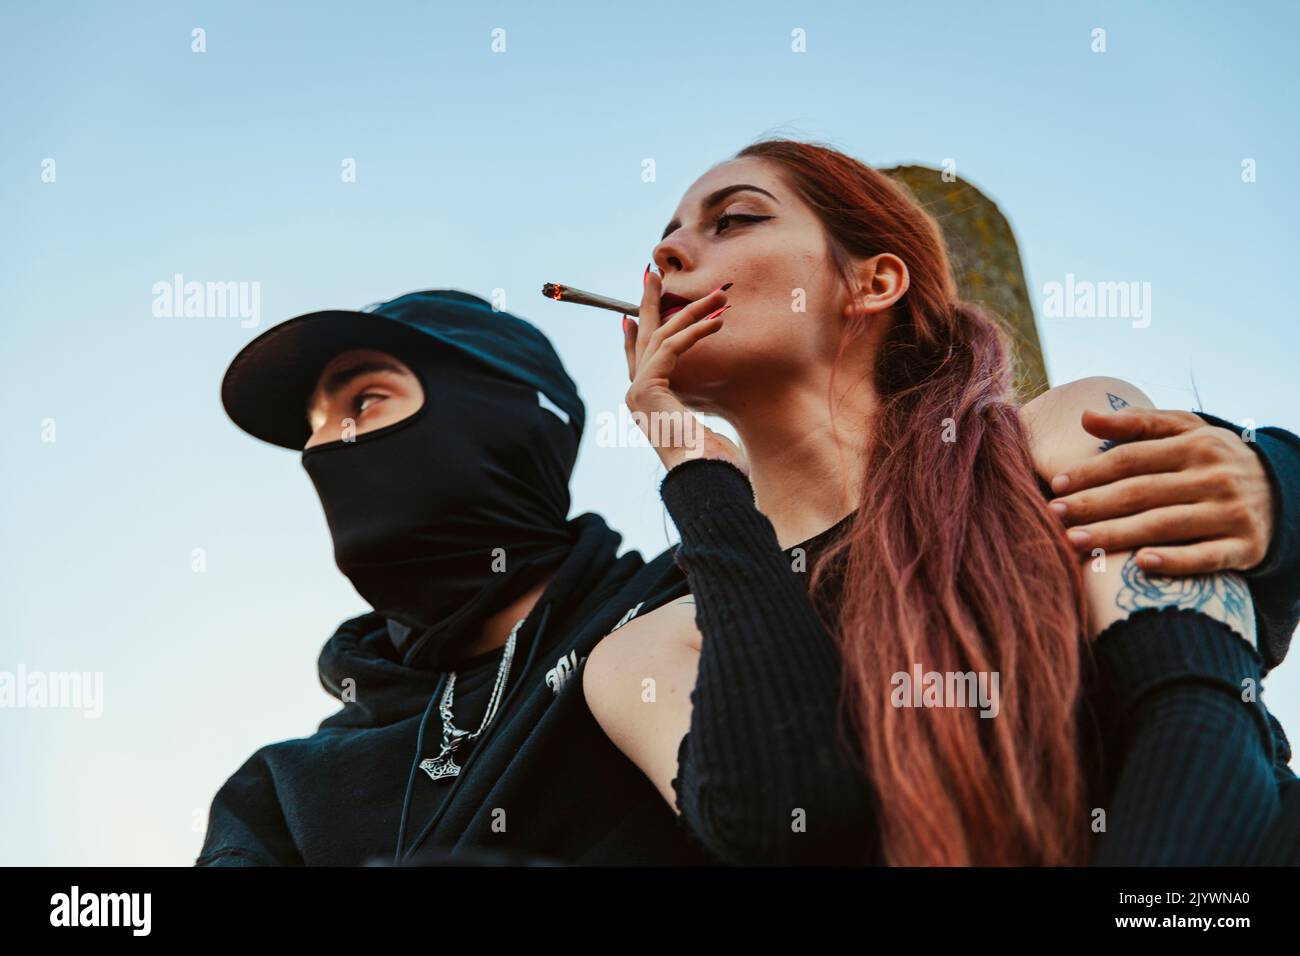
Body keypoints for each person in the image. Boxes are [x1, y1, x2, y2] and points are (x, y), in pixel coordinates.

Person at [582, 138, 1300, 865]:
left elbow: (1202, 722)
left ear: (874, 282)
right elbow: (781, 820)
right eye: (665, 236)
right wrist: (699, 474)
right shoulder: (640, 652)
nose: (667, 253)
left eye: (732, 219)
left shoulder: (1063, 434)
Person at [196, 290, 713, 866]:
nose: (320, 447)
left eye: (365, 402)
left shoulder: (699, 607)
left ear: (500, 416)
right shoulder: (280, 791)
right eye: (316, 425)